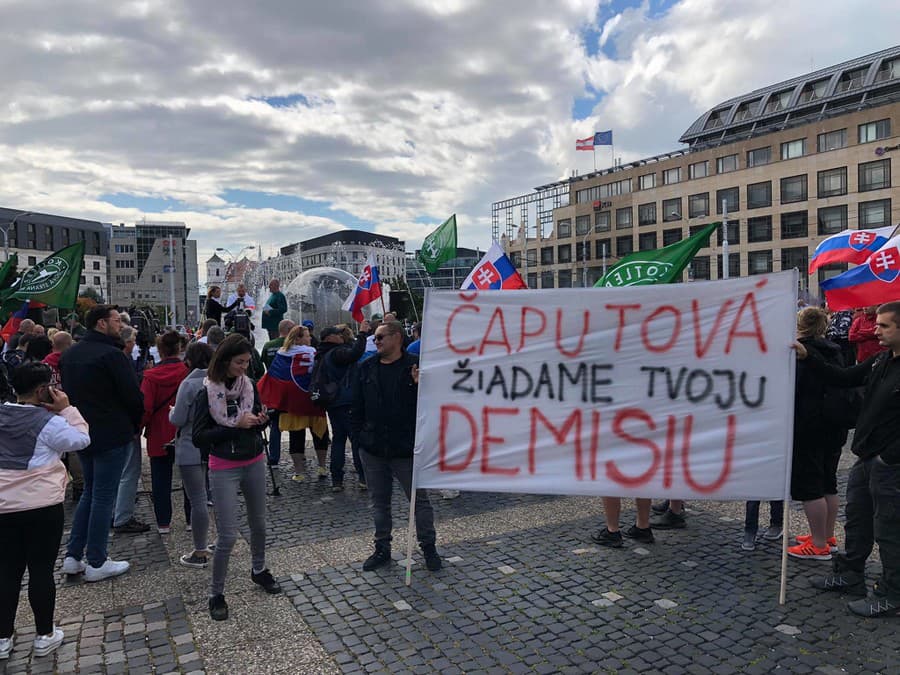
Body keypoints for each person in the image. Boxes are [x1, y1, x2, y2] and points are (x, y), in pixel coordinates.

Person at [797, 301, 900, 617]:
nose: (875, 330)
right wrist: (808, 356)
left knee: (890, 529)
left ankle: (893, 593)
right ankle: (850, 574)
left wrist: (889, 457)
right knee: (856, 521)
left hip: (889, 464)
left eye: (884, 326)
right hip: (866, 457)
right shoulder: (880, 360)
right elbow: (841, 377)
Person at [0, 363, 91, 659]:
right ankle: (44, 634)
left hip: (4, 505)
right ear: (44, 390)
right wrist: (67, 409)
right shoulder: (48, 422)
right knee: (40, 570)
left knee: (7, 572)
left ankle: (2, 637)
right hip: (42, 505)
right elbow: (80, 440)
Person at [191, 334, 280, 621]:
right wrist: (237, 426)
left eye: (247, 362)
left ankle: (259, 570)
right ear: (225, 360)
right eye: (240, 362)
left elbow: (252, 418)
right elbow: (199, 438)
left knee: (260, 525)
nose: (244, 367)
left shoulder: (249, 386)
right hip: (224, 465)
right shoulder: (206, 391)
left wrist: (260, 420)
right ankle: (216, 593)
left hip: (253, 459)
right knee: (227, 535)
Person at [61, 305, 143, 582]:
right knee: (103, 497)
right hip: (111, 433)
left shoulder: (70, 354)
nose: (120, 325)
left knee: (91, 492)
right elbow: (132, 396)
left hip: (83, 433)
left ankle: (73, 556)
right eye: (116, 320)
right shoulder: (112, 355)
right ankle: (96, 559)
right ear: (101, 324)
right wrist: (135, 425)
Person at [351, 320, 441, 572]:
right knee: (379, 501)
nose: (376, 341)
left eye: (381, 337)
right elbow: (356, 405)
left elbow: (429, 404)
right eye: (375, 337)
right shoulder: (366, 367)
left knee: (418, 500)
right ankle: (382, 547)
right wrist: (359, 438)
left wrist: (417, 386)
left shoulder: (415, 365)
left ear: (397, 338)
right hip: (373, 447)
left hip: (406, 446)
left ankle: (428, 547)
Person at [787, 307, 848, 560]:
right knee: (828, 483)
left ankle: (819, 544)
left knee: (810, 486)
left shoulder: (801, 354)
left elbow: (795, 389)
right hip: (834, 426)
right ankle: (827, 535)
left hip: (809, 426)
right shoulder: (833, 350)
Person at [257, 325, 329, 481]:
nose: (310, 338)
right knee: (320, 433)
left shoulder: (282, 354)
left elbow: (274, 376)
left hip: (293, 403)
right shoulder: (314, 353)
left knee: (296, 435)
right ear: (298, 338)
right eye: (307, 336)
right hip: (313, 400)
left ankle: (299, 472)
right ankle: (322, 467)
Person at [169, 342, 215, 568]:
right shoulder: (218, 380)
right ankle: (219, 541)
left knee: (197, 500)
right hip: (215, 446)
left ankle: (200, 550)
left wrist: (171, 413)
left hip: (190, 446)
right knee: (215, 497)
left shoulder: (188, 384)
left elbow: (178, 419)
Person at [140, 331, 189, 534]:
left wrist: (140, 427)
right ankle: (191, 520)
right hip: (184, 431)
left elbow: (146, 407)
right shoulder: (187, 372)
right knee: (190, 477)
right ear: (179, 349)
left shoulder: (150, 377)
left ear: (159, 351)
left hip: (159, 433)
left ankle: (163, 523)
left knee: (160, 479)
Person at [317, 323, 369, 491]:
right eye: (337, 334)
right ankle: (363, 477)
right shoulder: (336, 352)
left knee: (339, 439)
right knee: (356, 439)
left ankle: (337, 480)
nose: (340, 336)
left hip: (333, 402)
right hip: (346, 401)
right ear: (329, 338)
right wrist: (362, 334)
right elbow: (355, 354)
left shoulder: (322, 353)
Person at [112, 326, 151, 535]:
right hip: (126, 424)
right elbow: (133, 392)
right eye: (134, 340)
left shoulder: (116, 360)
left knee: (116, 471)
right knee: (128, 472)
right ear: (127, 343)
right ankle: (122, 517)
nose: (136, 344)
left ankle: (114, 512)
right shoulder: (121, 362)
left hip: (109, 424)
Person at [259, 319, 295, 469]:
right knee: (295, 423)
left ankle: (274, 458)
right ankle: (298, 455)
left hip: (275, 390)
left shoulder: (268, 346)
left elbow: (264, 366)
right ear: (288, 330)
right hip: (292, 388)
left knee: (275, 424)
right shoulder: (294, 346)